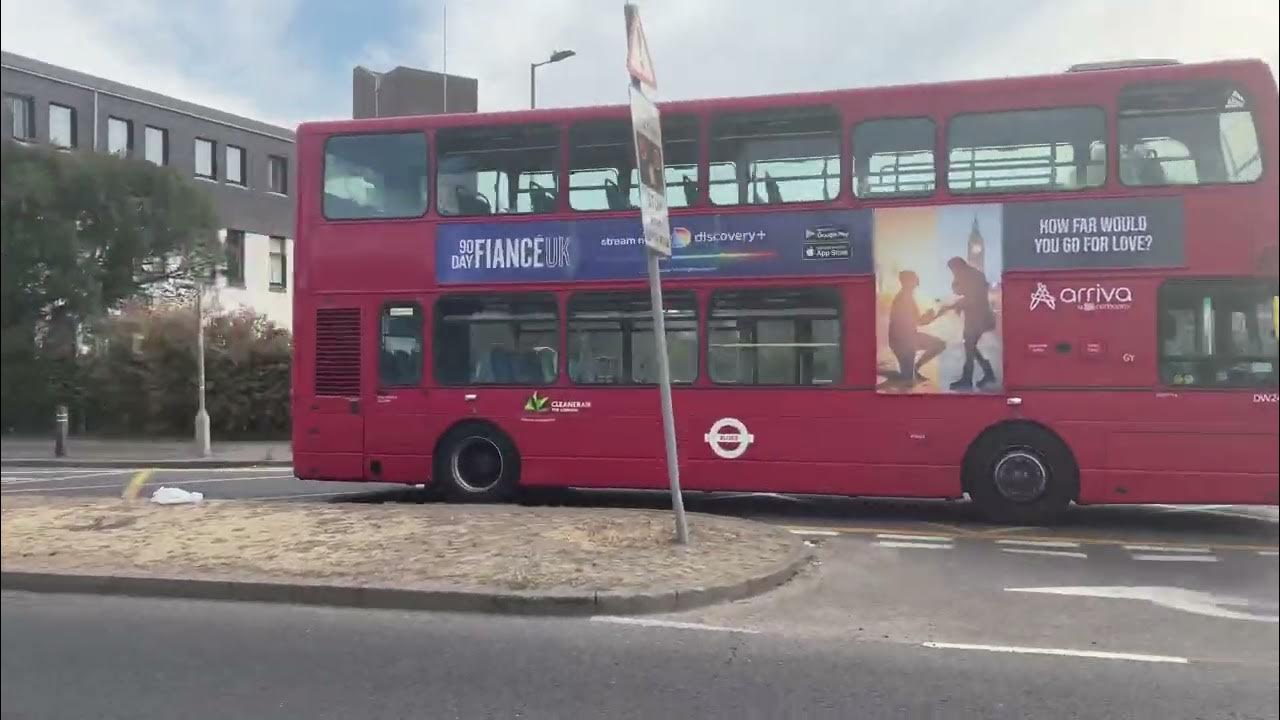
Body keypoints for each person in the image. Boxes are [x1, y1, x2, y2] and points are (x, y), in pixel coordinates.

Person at [942, 257, 997, 390]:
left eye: (953, 269)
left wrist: (954, 305)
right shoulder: (972, 275)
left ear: (957, 266)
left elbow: (970, 298)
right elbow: (959, 291)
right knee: (970, 347)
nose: (953, 272)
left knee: (970, 347)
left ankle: (969, 379)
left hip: (978, 318)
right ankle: (987, 373)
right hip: (977, 317)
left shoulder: (971, 276)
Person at [887, 271, 945, 385]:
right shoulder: (903, 298)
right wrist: (931, 316)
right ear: (907, 282)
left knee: (939, 345)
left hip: (907, 339)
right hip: (903, 342)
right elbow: (916, 322)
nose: (916, 283)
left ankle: (914, 368)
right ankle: (906, 372)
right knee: (907, 380)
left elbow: (917, 321)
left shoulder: (906, 297)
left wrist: (933, 316)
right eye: (914, 280)